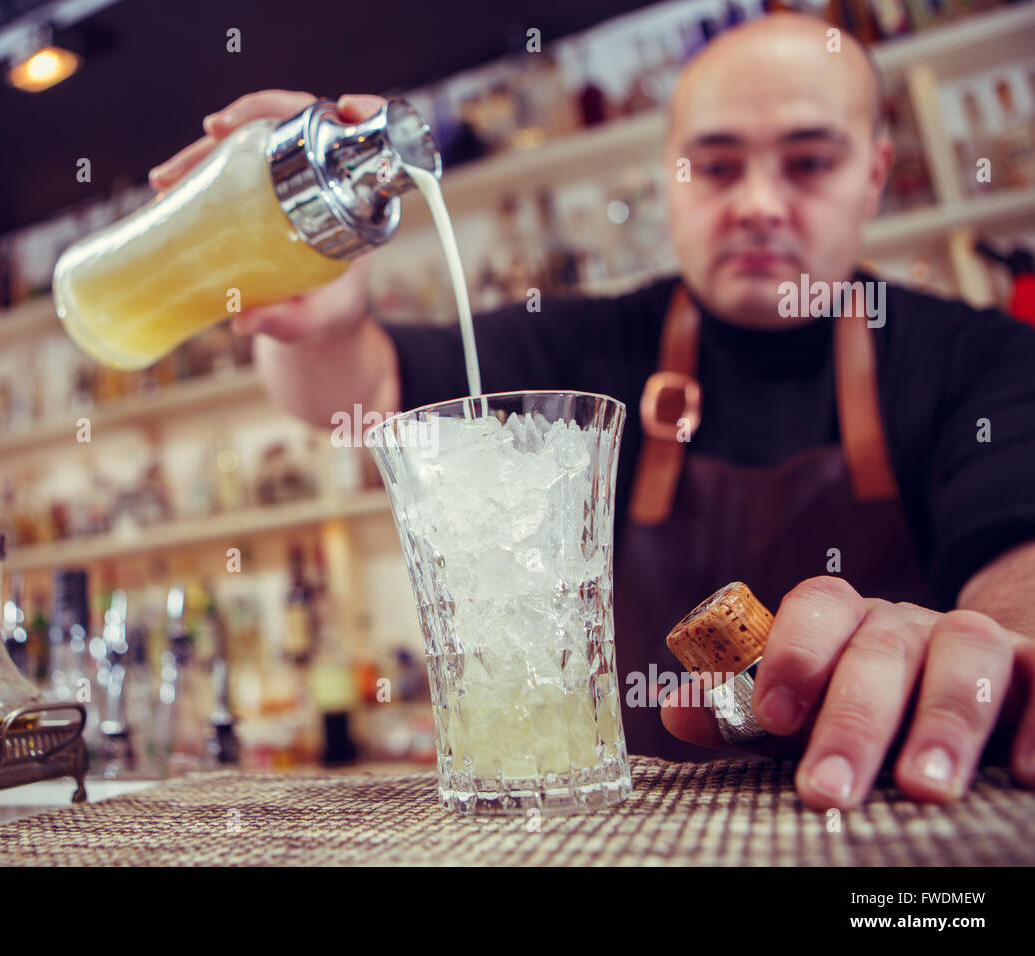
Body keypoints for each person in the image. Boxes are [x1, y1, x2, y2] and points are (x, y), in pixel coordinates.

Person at [147, 12, 1035, 810]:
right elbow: (359, 391)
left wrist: (994, 644)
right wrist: (317, 307)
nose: (759, 204)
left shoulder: (982, 357)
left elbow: (1020, 569)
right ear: (671, 179)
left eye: (809, 162)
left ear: (875, 174)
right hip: (617, 834)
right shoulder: (586, 346)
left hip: (881, 820)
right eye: (718, 165)